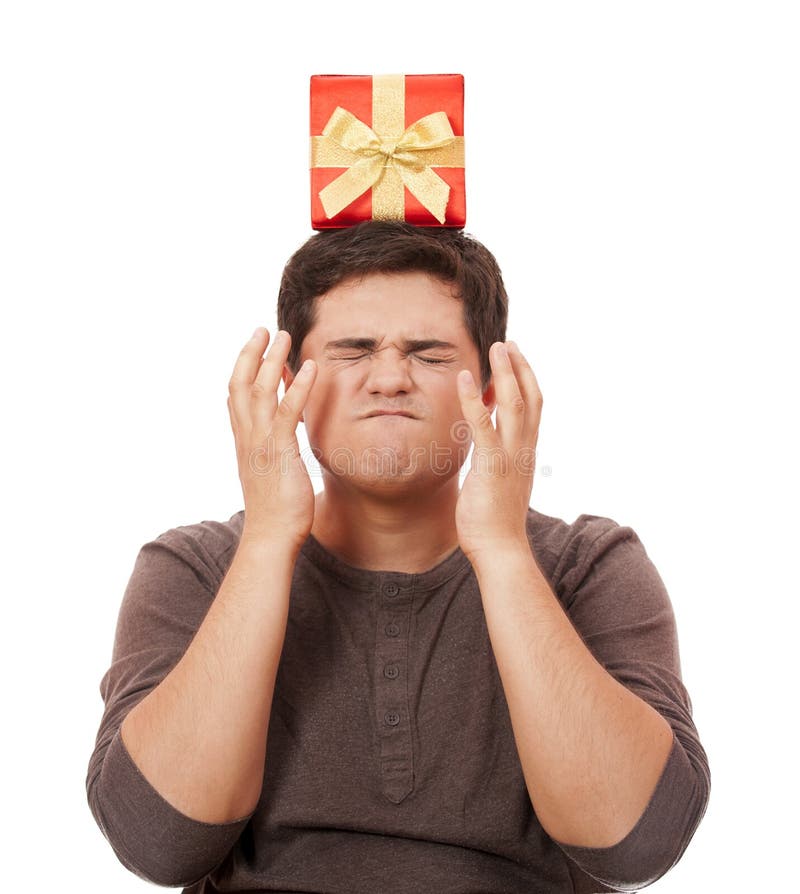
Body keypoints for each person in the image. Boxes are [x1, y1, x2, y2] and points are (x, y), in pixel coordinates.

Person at [86, 221, 710, 894]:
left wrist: (501, 549)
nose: (390, 379)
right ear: (290, 384)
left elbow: (636, 845)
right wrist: (269, 537)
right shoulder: (193, 568)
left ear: (492, 386)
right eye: (354, 351)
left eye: (431, 354)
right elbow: (157, 842)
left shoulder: (591, 564)